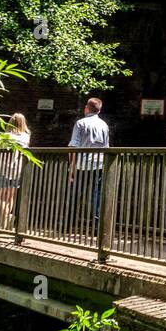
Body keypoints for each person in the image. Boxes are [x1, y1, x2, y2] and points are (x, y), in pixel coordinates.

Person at [68, 98, 110, 232]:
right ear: (99, 110)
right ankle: (97, 227)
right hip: (99, 164)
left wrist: (71, 169)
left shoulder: (80, 123)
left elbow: (74, 146)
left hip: (82, 165)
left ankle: (69, 224)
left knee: (75, 194)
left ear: (86, 108)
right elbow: (106, 147)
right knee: (96, 195)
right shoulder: (104, 125)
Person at [0, 113, 30, 224]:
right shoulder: (26, 137)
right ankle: (4, 222)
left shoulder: (5, 136)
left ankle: (7, 217)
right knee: (10, 197)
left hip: (3, 169)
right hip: (17, 170)